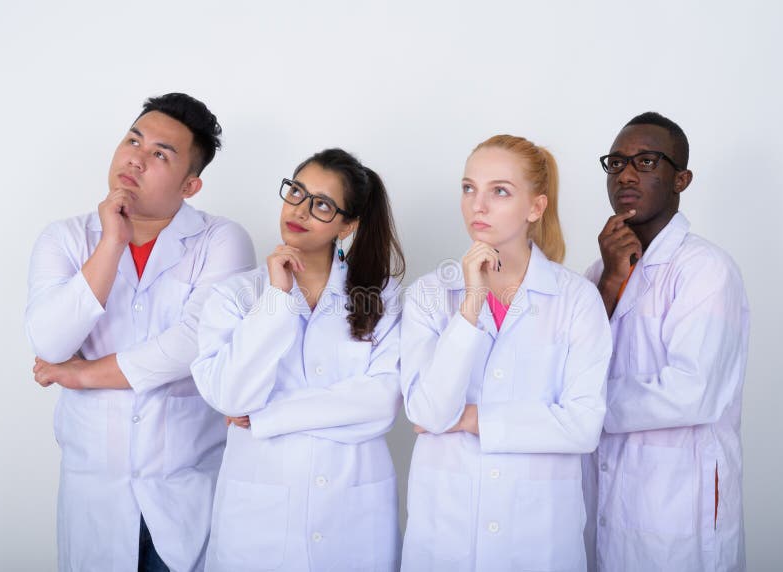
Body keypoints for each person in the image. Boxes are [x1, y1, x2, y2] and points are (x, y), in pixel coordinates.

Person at [26, 93, 256, 571]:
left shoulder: (222, 240)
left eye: (159, 154)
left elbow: (191, 344)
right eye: (133, 139)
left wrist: (82, 374)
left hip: (183, 494)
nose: (135, 157)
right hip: (95, 496)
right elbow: (49, 343)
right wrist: (112, 242)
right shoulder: (65, 239)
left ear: (190, 184)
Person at [400, 135, 611, 571]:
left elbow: (583, 426)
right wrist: (471, 305)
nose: (478, 205)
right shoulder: (429, 295)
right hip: (445, 533)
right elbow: (428, 412)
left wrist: (475, 418)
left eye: (499, 191)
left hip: (537, 538)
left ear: (536, 207)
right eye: (468, 188)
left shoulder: (576, 299)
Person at [191, 148, 405, 571]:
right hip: (260, 518)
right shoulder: (237, 296)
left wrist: (268, 417)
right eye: (296, 192)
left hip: (351, 511)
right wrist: (276, 298)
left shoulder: (381, 297)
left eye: (322, 204)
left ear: (348, 225)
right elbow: (232, 397)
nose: (300, 210)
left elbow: (380, 402)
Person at [583, 112, 749, 571]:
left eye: (646, 161)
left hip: (678, 498)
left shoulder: (705, 269)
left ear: (681, 179)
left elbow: (691, 392)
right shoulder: (598, 273)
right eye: (615, 163)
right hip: (608, 491)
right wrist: (613, 279)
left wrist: (582, 407)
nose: (627, 174)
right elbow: (571, 362)